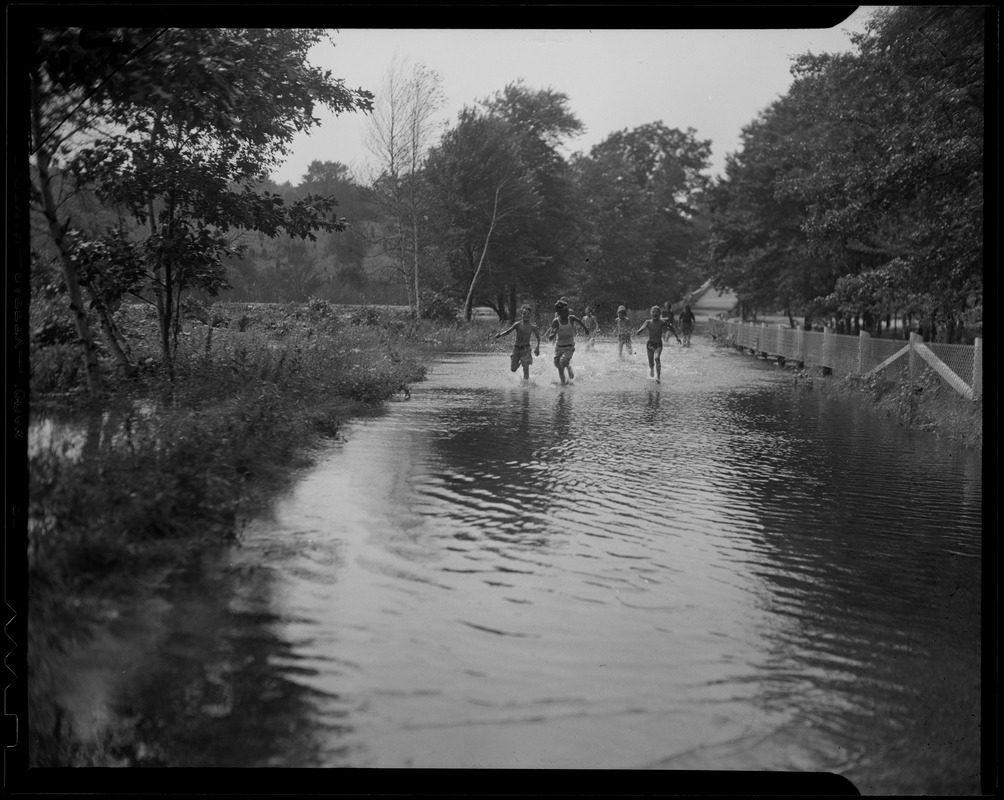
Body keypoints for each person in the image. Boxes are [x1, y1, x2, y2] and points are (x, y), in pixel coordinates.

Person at [547, 298, 590, 385]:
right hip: (558, 347)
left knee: (562, 364)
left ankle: (563, 383)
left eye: (568, 311)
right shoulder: (555, 322)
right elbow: (550, 338)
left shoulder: (571, 318)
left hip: (569, 346)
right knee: (558, 365)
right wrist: (554, 333)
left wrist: (585, 329)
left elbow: (580, 322)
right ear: (559, 313)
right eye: (565, 311)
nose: (568, 313)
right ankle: (568, 367)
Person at [635, 305, 680, 383]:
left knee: (656, 358)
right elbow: (642, 327)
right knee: (651, 363)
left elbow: (671, 327)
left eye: (656, 312)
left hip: (658, 345)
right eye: (653, 312)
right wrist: (639, 331)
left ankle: (658, 377)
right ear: (651, 313)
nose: (654, 313)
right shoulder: (648, 322)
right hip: (650, 344)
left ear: (659, 314)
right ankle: (652, 369)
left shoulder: (661, 322)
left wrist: (677, 337)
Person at [494, 305, 541, 380]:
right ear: (521, 314)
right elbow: (508, 331)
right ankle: (519, 363)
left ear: (530, 315)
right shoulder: (517, 324)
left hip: (526, 349)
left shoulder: (533, 327)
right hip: (516, 349)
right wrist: (500, 335)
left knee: (526, 368)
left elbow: (538, 338)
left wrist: (537, 347)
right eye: (524, 313)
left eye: (528, 313)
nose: (526, 315)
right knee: (513, 369)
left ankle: (526, 387)